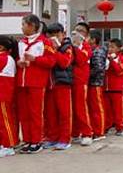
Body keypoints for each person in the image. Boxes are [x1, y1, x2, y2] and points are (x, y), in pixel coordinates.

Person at [17, 14, 56, 154]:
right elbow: (17, 59)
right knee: (24, 113)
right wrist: (19, 62)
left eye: (23, 24)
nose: (22, 27)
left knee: (35, 113)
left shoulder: (45, 42)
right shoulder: (21, 42)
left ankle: (36, 141)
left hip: (37, 82)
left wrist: (35, 59)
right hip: (21, 82)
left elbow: (51, 61)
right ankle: (27, 140)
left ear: (32, 26)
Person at [44, 23, 74, 150]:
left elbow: (65, 63)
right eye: (51, 35)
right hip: (49, 84)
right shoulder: (46, 47)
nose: (54, 37)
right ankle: (52, 137)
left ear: (63, 34)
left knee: (64, 113)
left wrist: (55, 50)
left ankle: (65, 139)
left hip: (62, 84)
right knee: (50, 113)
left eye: (57, 34)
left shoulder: (67, 47)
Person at [71, 22, 93, 146]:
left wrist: (77, 46)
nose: (78, 32)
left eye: (81, 31)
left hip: (80, 80)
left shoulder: (86, 47)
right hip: (68, 80)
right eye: (76, 30)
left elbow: (80, 60)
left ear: (86, 34)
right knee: (70, 108)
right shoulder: (69, 44)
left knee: (80, 107)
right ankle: (74, 133)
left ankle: (87, 133)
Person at [0, 36, 19, 158]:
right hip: (4, 93)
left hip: (3, 94)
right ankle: (5, 143)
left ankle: (9, 145)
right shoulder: (7, 57)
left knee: (5, 121)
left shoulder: (4, 57)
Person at [104, 38, 123, 136]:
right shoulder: (106, 57)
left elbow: (119, 71)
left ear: (119, 48)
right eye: (109, 47)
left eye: (113, 47)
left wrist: (112, 61)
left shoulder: (121, 58)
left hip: (117, 88)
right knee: (107, 109)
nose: (110, 49)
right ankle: (107, 125)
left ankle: (119, 126)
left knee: (118, 110)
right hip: (106, 88)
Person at [87, 30, 107, 141]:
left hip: (96, 83)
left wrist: (86, 73)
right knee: (92, 108)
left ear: (93, 40)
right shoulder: (92, 50)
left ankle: (99, 132)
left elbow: (98, 68)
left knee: (97, 108)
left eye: (88, 37)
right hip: (91, 83)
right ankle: (94, 130)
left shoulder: (98, 52)